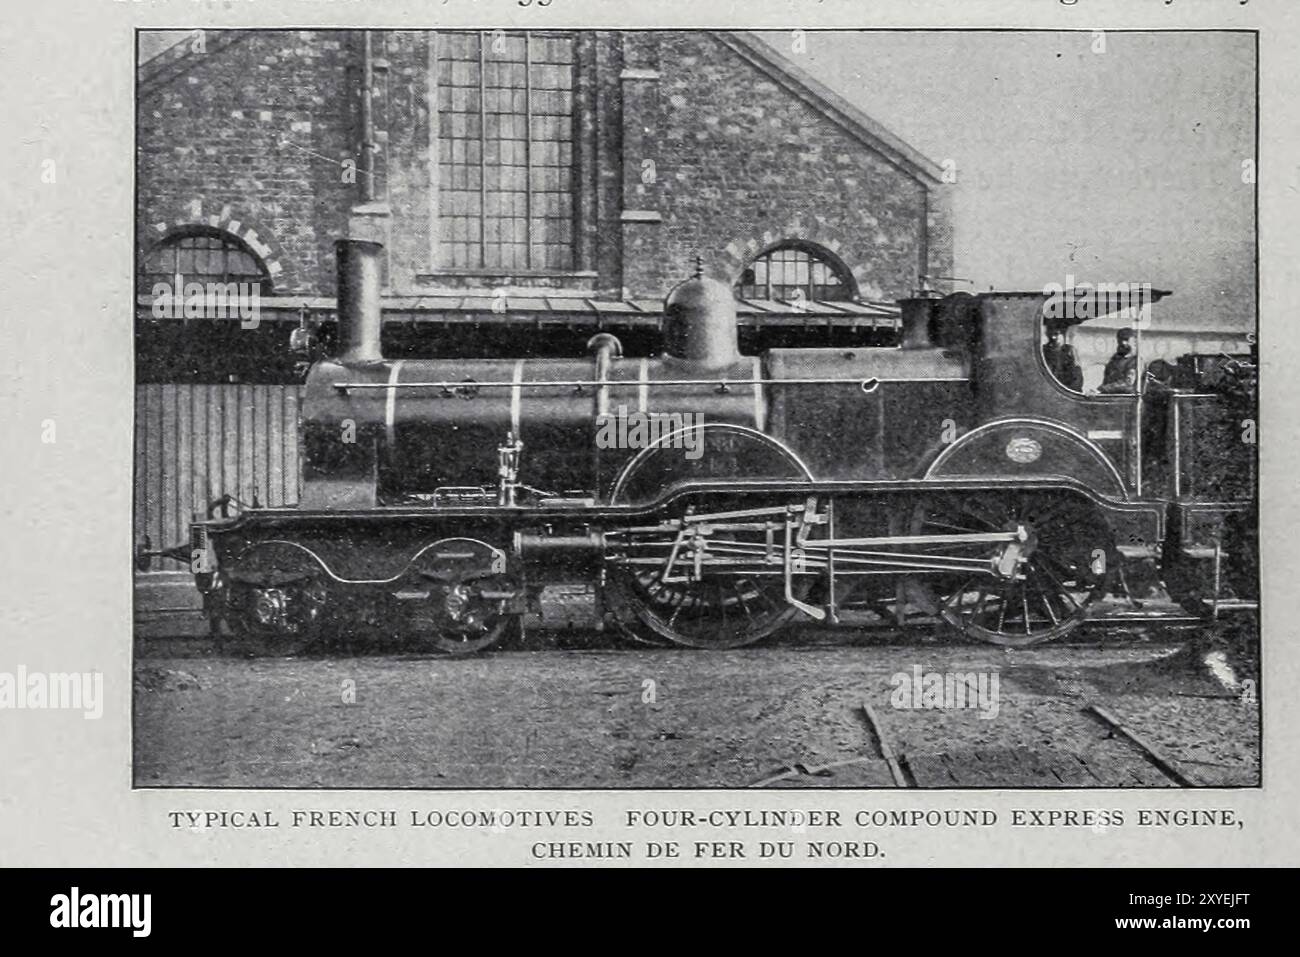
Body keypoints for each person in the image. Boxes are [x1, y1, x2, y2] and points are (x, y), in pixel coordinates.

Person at [1042, 319, 1083, 391]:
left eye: (1057, 333)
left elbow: (1077, 380)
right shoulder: (1043, 351)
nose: (1054, 337)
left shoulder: (1070, 352)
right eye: (1051, 332)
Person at [1097, 327, 1138, 394]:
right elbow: (1107, 381)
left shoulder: (1135, 361)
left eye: (1126, 340)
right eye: (1120, 340)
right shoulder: (1114, 360)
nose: (1123, 343)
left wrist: (1103, 389)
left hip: (1126, 400)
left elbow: (1128, 383)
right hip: (1110, 398)